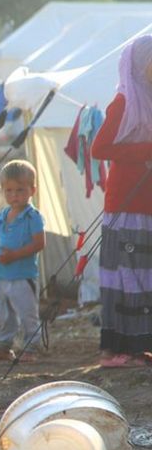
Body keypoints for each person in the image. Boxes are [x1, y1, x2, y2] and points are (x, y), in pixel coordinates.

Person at [91, 35, 152, 368]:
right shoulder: (123, 103)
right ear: (138, 65)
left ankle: (140, 344)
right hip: (125, 203)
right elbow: (99, 149)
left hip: (148, 203)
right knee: (124, 275)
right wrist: (144, 152)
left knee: (146, 275)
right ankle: (115, 349)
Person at [0, 160, 45, 362]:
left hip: (23, 275)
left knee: (28, 313)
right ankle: (4, 345)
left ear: (32, 190)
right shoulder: (2, 216)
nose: (14, 196)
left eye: (20, 190)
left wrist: (14, 255)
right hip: (3, 275)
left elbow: (39, 243)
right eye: (9, 191)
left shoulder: (32, 216)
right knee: (4, 314)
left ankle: (32, 346)